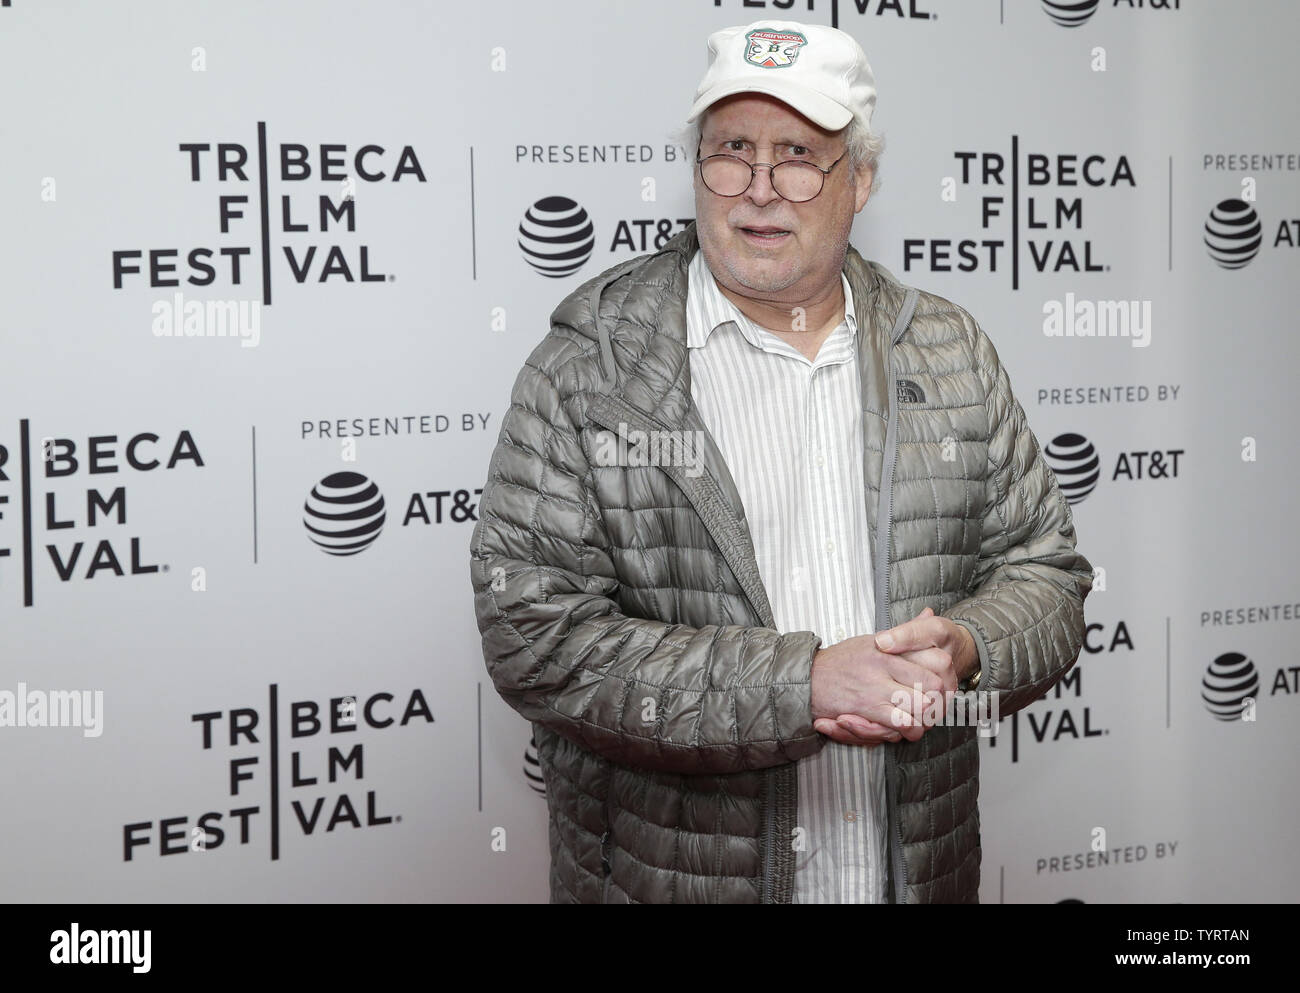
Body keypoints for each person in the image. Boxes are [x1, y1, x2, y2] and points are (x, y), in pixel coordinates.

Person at [470, 19, 1092, 904]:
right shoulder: (590, 368)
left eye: (799, 154)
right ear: (695, 168)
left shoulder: (949, 351)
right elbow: (536, 638)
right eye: (732, 150)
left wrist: (969, 647)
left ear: (862, 179)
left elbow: (1050, 577)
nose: (760, 191)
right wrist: (797, 685)